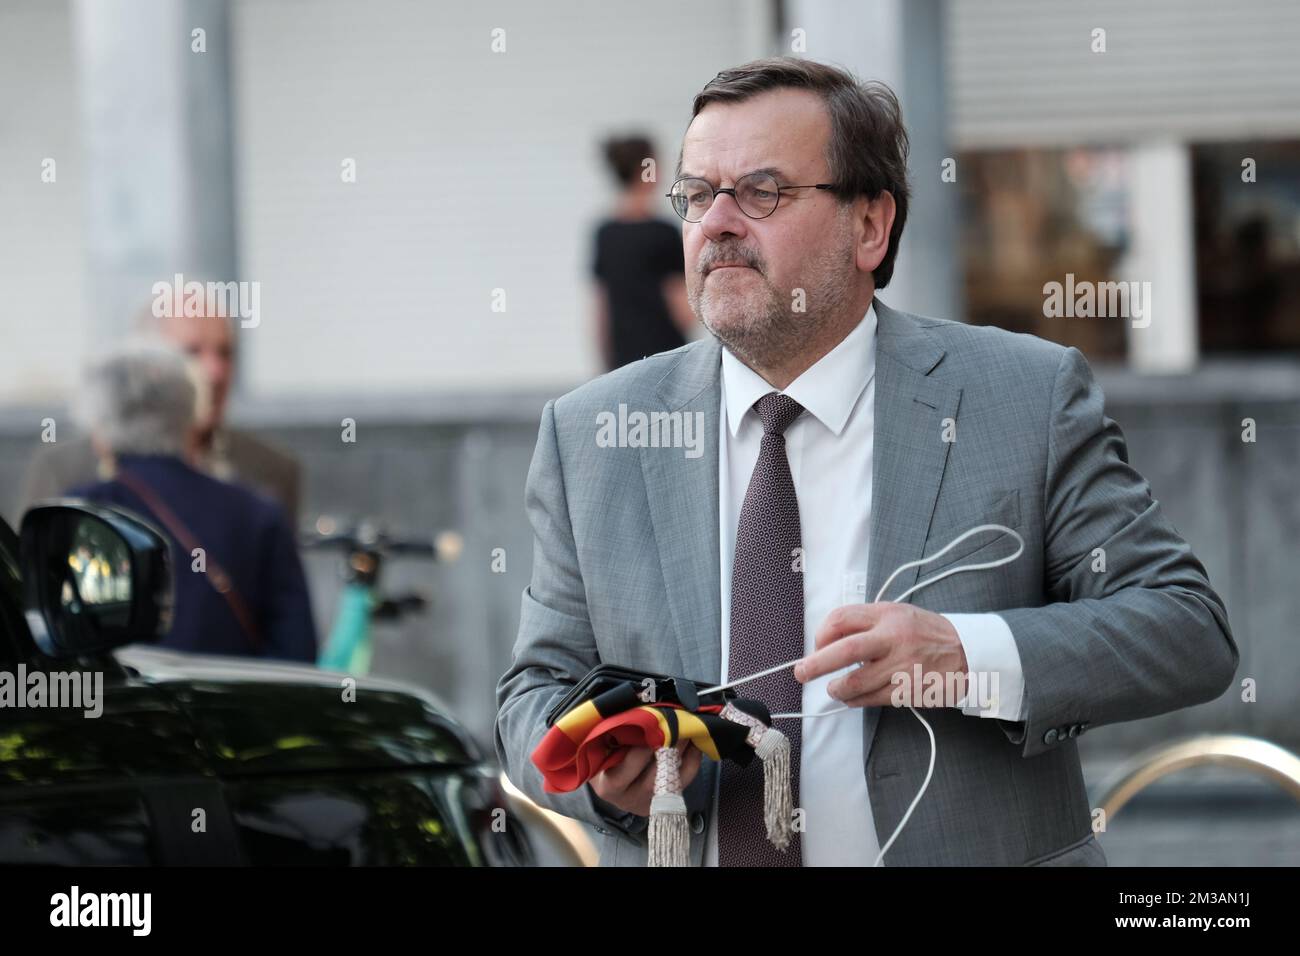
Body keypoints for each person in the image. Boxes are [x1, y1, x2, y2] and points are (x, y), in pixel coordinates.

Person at [496, 57, 1237, 867]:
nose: (718, 222)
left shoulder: (1023, 398)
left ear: (870, 226)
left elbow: (1186, 629)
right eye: (698, 194)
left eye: (762, 192)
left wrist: (967, 654)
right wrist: (602, 773)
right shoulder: (594, 432)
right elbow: (533, 696)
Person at [67, 343, 317, 663]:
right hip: (229, 709)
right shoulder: (257, 513)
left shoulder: (77, 514)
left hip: (118, 711)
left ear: (100, 427)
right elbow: (296, 657)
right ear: (191, 416)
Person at [21, 294, 301, 528]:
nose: (216, 372)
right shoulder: (63, 471)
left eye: (225, 353)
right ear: (147, 367)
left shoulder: (272, 472)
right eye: (192, 352)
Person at [591, 135, 697, 370]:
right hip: (665, 356)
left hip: (622, 361)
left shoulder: (605, 233)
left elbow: (601, 308)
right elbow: (683, 310)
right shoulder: (663, 232)